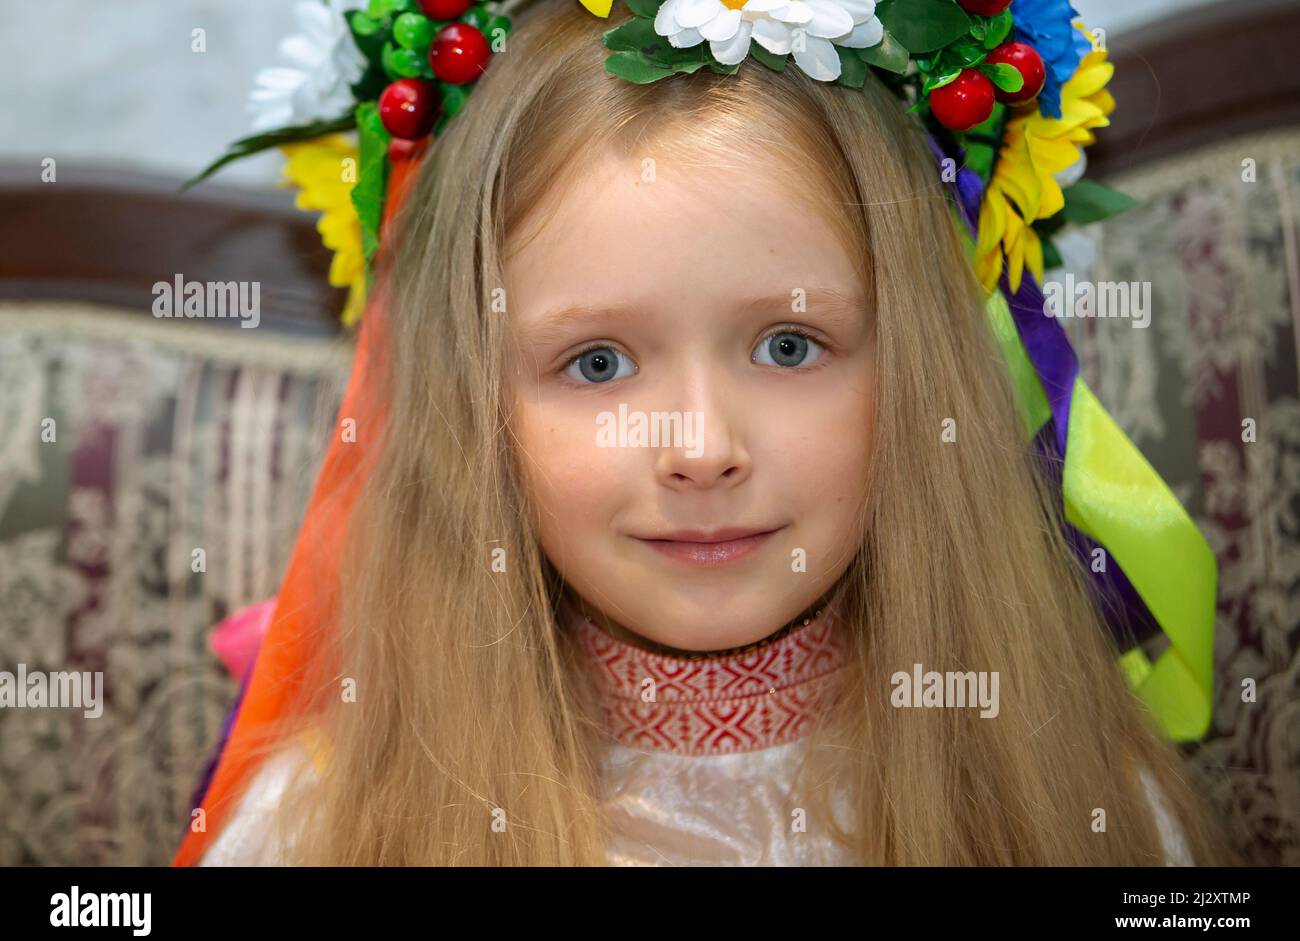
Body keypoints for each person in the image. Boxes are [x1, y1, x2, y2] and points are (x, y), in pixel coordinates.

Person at [180, 0, 1238, 866]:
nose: (699, 445)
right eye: (596, 362)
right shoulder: (323, 831)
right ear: (474, 416)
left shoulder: (1076, 808)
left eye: (787, 345)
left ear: (919, 375)